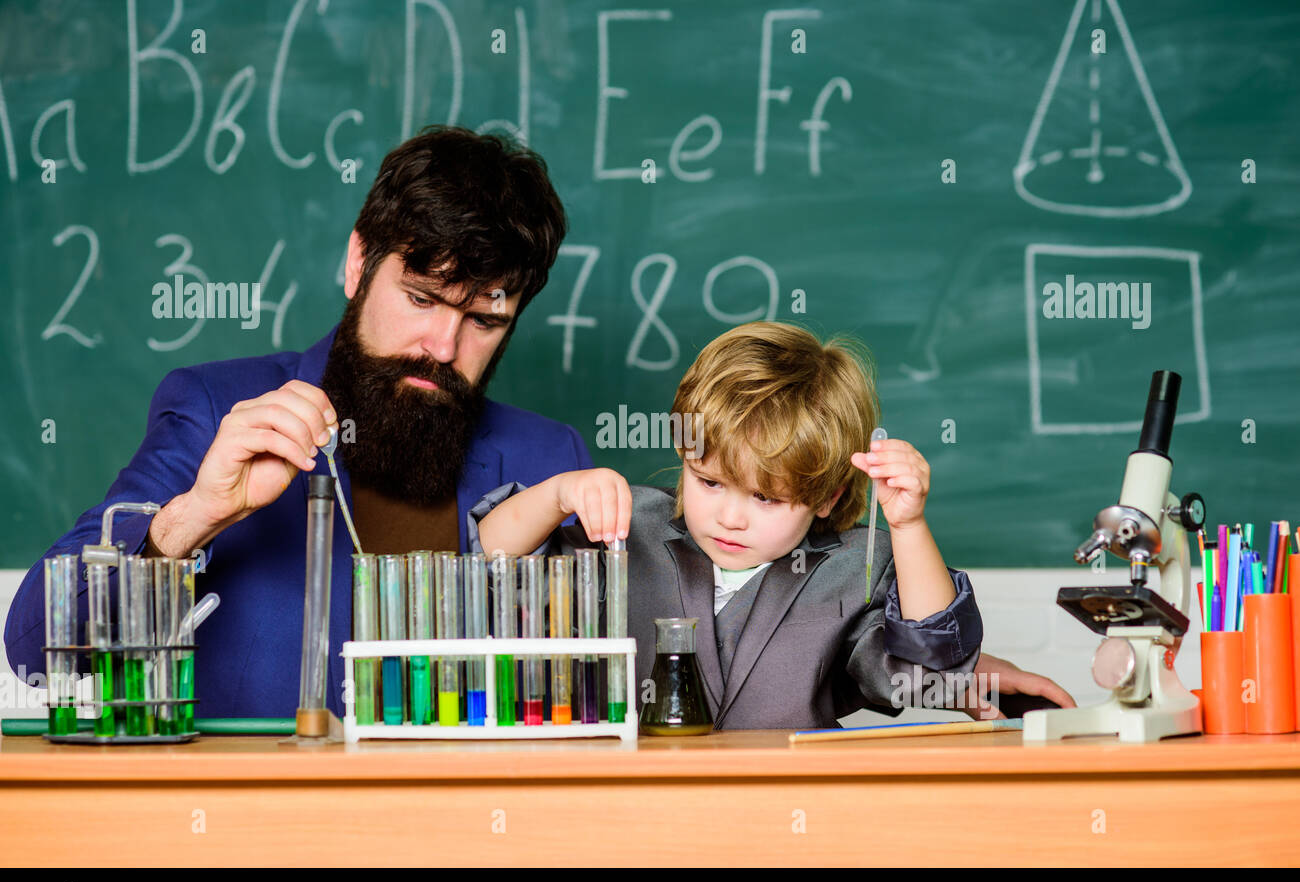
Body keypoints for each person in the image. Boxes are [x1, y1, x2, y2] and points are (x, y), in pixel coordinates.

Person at [4, 126, 590, 718]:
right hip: (252, 811)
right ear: (358, 263)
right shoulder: (216, 409)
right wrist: (193, 519)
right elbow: (31, 652)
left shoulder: (549, 461)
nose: (442, 347)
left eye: (483, 322)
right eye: (421, 298)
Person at [473, 322, 1074, 729]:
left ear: (826, 496)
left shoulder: (848, 572)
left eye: (766, 498)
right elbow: (488, 567)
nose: (730, 516)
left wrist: (910, 525)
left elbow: (931, 663)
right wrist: (557, 494)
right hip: (631, 817)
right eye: (708, 482)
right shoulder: (627, 529)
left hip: (794, 823)